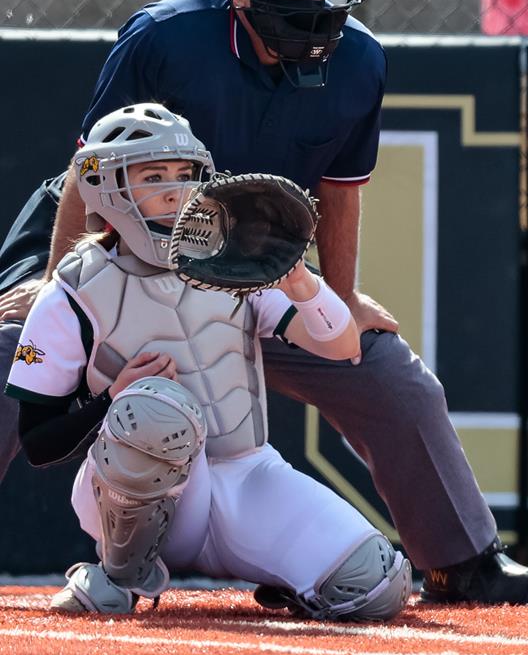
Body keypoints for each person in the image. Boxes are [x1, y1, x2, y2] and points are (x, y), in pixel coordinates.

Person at [0, 0, 528, 607]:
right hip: (108, 237)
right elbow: (89, 171)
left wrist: (344, 297)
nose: (308, 2)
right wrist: (55, 284)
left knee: (384, 368)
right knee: (13, 340)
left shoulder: (359, 60)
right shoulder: (165, 39)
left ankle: (463, 559)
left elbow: (341, 193)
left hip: (236, 259)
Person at [6, 104, 411, 620]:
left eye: (185, 175)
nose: (176, 192)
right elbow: (39, 444)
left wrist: (303, 286)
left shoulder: (235, 259)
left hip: (247, 475)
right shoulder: (72, 291)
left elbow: (343, 347)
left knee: (372, 585)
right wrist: (110, 399)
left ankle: (281, 574)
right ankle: (118, 576)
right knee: (154, 409)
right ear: (104, 186)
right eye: (153, 176)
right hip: (137, 499)